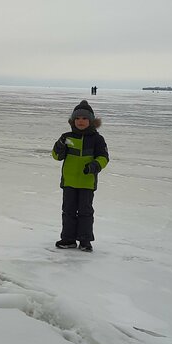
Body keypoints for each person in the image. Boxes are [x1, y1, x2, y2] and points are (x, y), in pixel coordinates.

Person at [51, 100, 109, 251]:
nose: (80, 121)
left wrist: (94, 166)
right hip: (69, 182)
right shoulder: (66, 137)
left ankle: (85, 240)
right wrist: (59, 147)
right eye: (77, 118)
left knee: (85, 212)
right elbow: (57, 156)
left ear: (91, 121)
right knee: (68, 211)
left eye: (84, 118)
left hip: (86, 183)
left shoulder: (97, 139)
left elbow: (104, 158)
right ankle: (68, 239)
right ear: (72, 121)